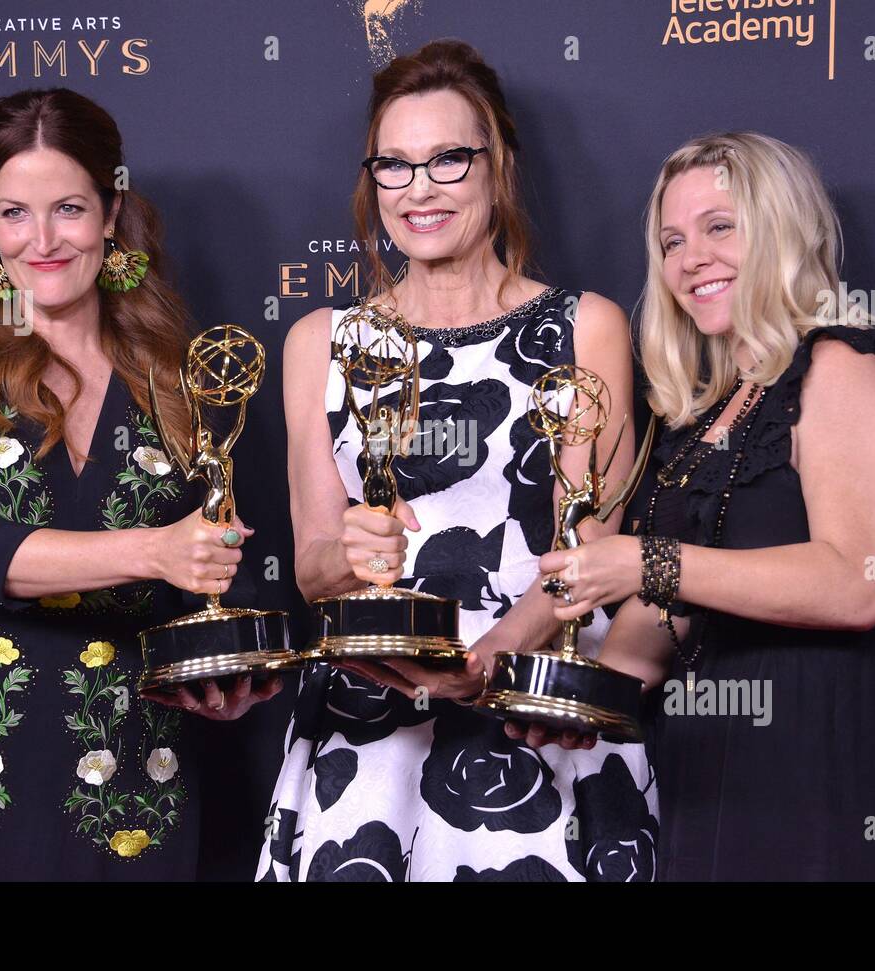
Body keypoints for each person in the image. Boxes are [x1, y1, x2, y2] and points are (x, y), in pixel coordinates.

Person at [257, 40, 658, 883]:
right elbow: (313, 566)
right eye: (394, 166)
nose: (420, 189)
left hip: (537, 712)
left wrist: (493, 656)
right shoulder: (320, 342)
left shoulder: (584, 326)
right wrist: (351, 552)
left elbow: (590, 548)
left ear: (496, 165)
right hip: (371, 731)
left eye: (448, 159)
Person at [522, 132, 875, 880]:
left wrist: (646, 561)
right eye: (672, 241)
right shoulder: (709, 412)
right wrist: (565, 697)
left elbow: (857, 582)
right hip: (707, 767)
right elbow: (667, 620)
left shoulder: (842, 364)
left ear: (784, 230)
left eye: (719, 227)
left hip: (823, 759)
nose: (690, 259)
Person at [0, 88, 278, 880]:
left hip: (134, 757)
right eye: (14, 213)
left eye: (68, 208)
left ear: (110, 213)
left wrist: (224, 674)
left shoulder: (184, 379)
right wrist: (155, 550)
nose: (42, 239)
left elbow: (211, 576)